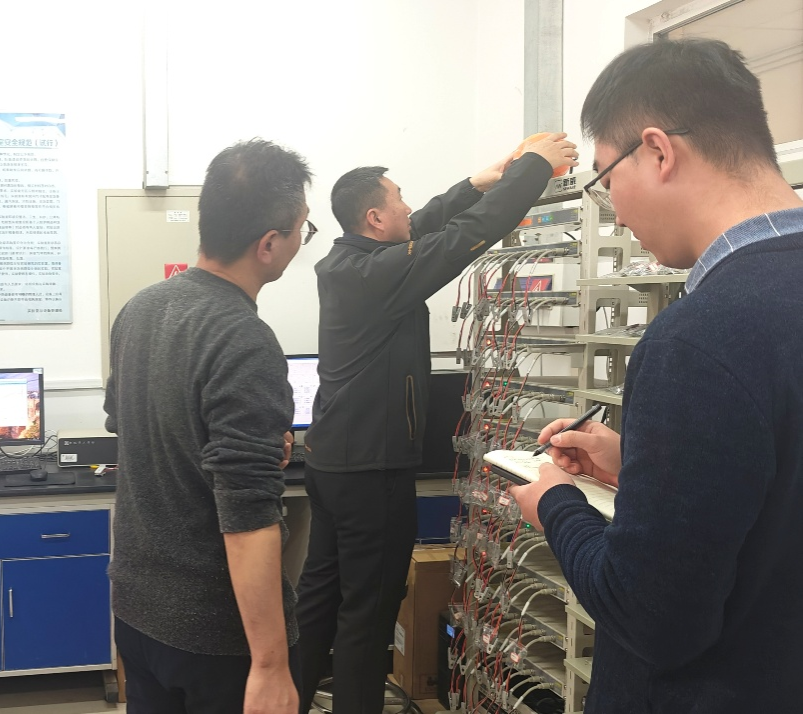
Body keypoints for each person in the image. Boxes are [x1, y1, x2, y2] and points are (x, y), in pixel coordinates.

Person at [511, 38, 803, 714]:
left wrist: (556, 503)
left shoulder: (697, 340)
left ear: (658, 151)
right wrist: (645, 465)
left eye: (605, 179)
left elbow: (651, 619)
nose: (613, 210)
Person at [296, 135, 579, 712]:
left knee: (319, 602)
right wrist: (533, 168)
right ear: (374, 218)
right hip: (372, 471)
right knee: (369, 615)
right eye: (397, 199)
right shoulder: (377, 274)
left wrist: (476, 183)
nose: (408, 206)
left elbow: (424, 226)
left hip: (333, 466)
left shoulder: (350, 263)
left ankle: (290, 700)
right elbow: (460, 239)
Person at [105, 139, 312, 714]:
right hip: (217, 639)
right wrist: (270, 666)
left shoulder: (140, 309)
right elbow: (247, 518)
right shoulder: (244, 338)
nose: (301, 240)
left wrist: (244, 445)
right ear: (268, 244)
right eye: (303, 228)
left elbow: (136, 428)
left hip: (139, 613)